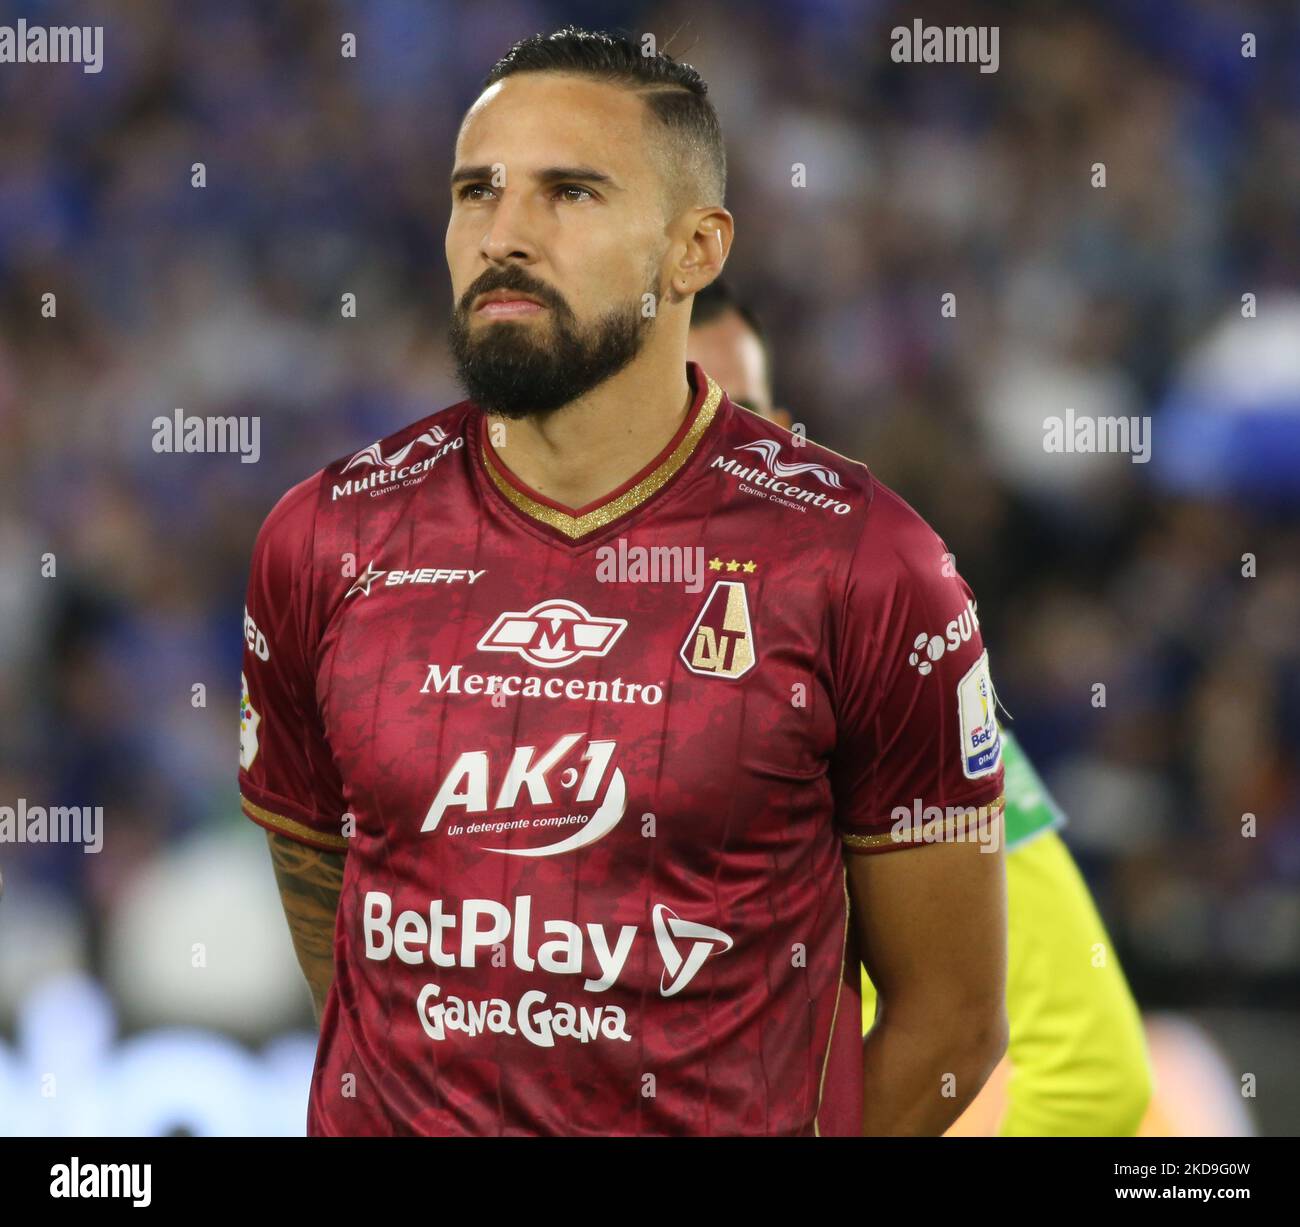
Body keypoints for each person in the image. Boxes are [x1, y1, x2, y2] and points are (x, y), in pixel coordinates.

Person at [239, 27, 1007, 1136]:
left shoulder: (865, 565)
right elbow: (335, 926)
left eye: (570, 193)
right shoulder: (326, 539)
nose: (502, 235)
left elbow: (952, 1025)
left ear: (695, 249)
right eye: (475, 191)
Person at [688, 279, 1153, 1135]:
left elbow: (1093, 1075)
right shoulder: (529, 692)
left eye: (742, 421)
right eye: (670, 428)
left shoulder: (911, 696)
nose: (710, 463)